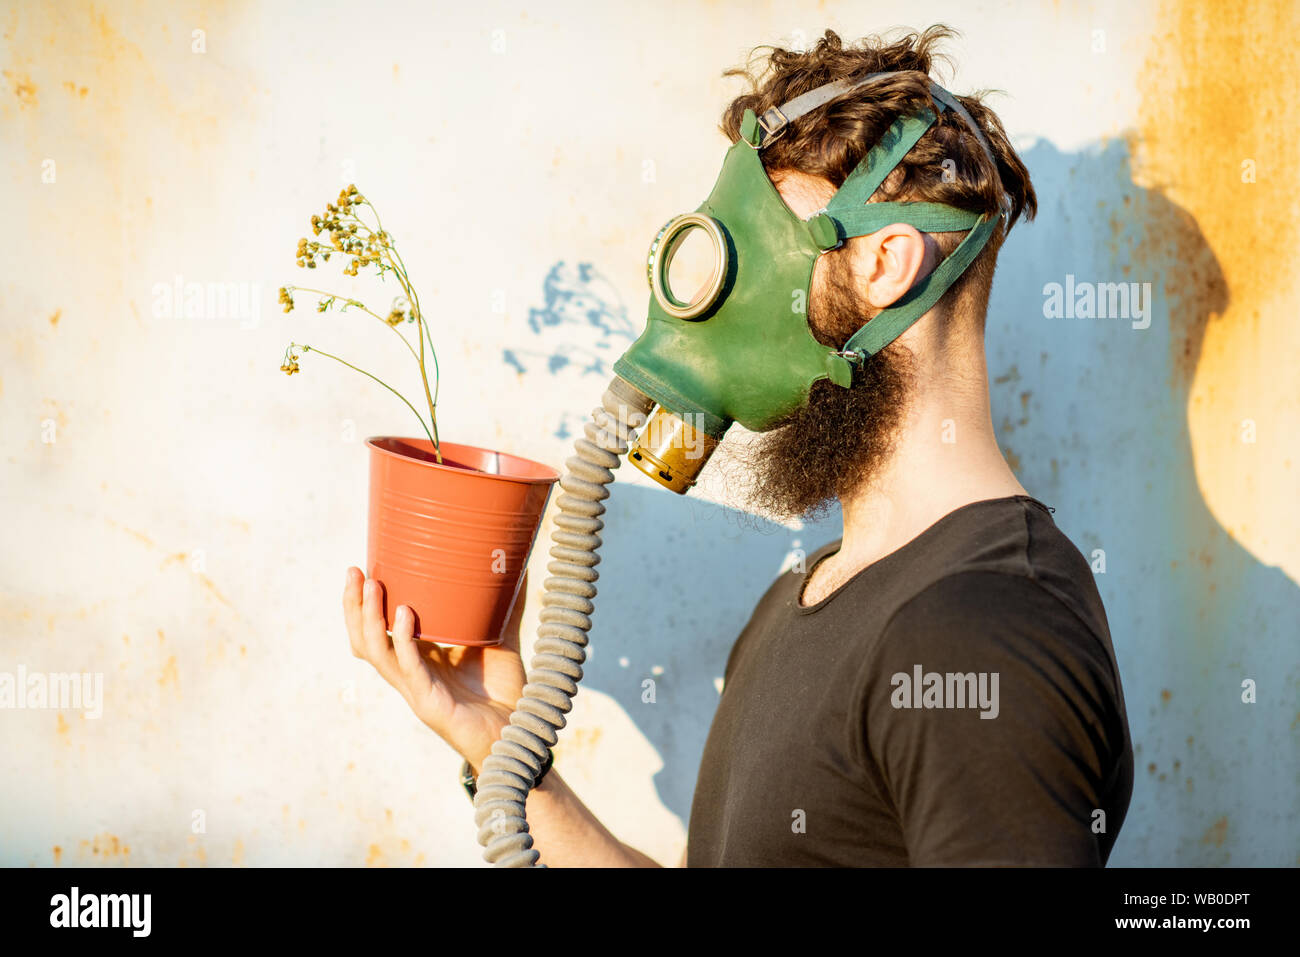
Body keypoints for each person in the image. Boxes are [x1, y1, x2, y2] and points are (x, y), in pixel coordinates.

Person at [343, 25, 1133, 867]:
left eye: (745, 248)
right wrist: (505, 756)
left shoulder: (982, 631)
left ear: (887, 263)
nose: (703, 301)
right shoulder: (807, 596)